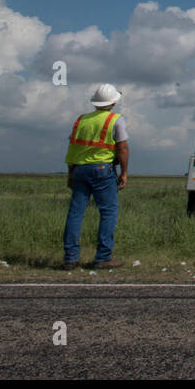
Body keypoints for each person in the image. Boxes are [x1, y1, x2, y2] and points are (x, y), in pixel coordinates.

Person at [62, 83, 130, 269]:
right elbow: (122, 148)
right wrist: (124, 173)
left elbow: (73, 148)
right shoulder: (116, 120)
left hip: (79, 170)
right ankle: (103, 258)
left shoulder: (81, 120)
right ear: (114, 102)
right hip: (102, 170)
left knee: (75, 213)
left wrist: (70, 173)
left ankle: (70, 258)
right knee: (108, 212)